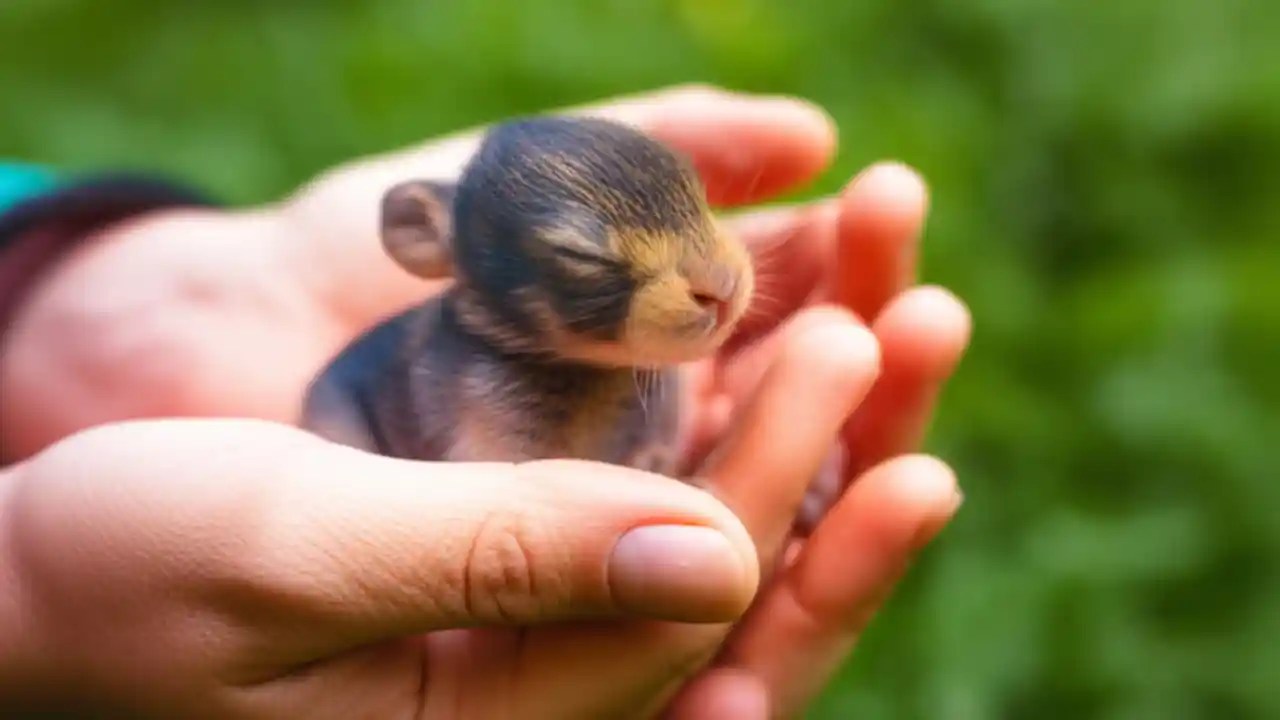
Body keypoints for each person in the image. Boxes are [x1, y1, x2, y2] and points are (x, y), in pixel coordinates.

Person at [0, 85, 971, 718]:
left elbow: (650, 440)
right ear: (441, 251)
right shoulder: (466, 385)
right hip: (373, 440)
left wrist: (50, 280)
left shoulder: (647, 360)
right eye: (588, 266)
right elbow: (503, 499)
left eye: (695, 216)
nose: (716, 282)